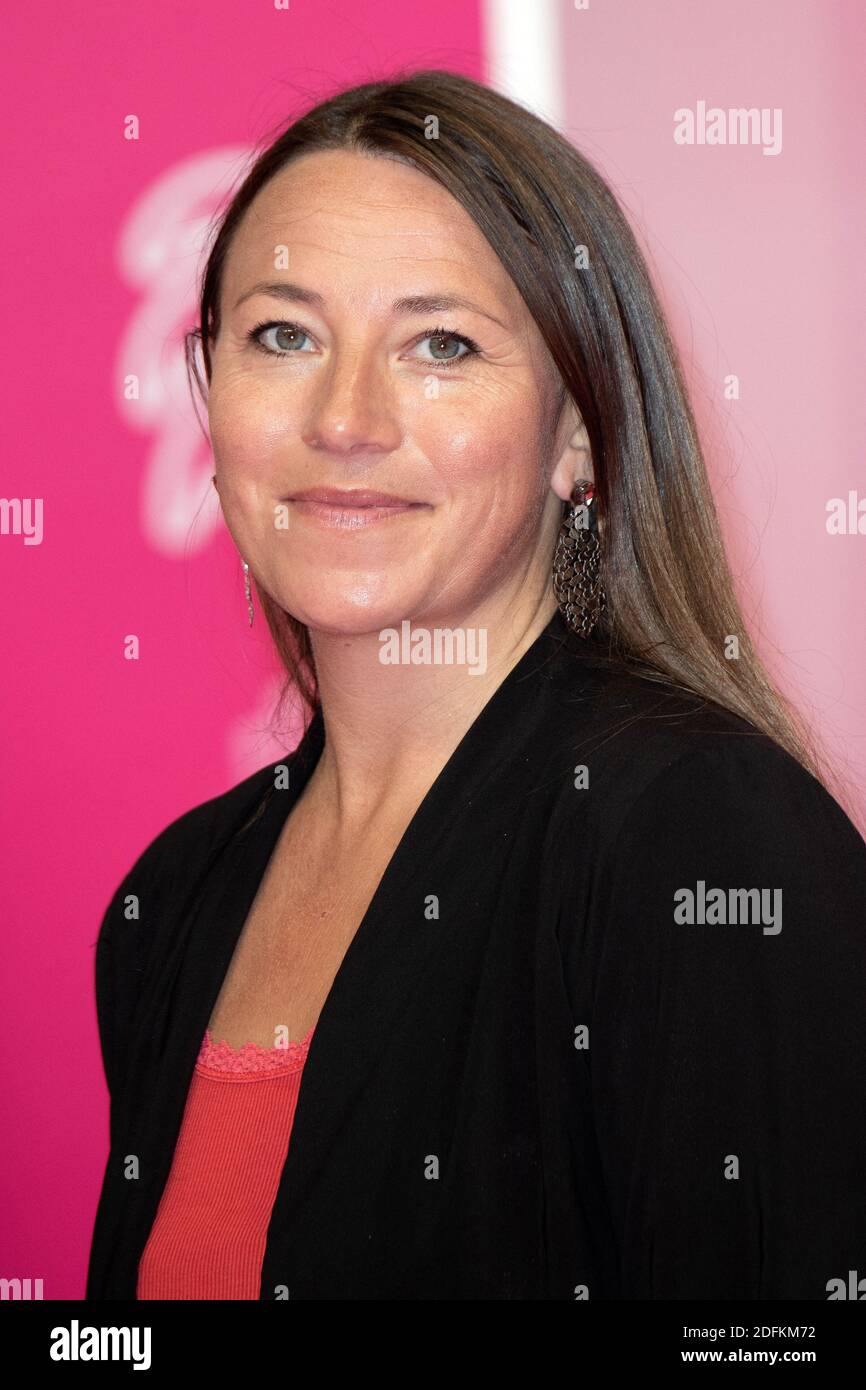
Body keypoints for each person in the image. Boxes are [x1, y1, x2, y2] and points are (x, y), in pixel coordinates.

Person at [86, 69, 866, 1301]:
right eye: (283, 335)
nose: (345, 418)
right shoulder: (175, 897)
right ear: (209, 394)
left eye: (439, 345)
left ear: (578, 436)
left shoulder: (701, 838)